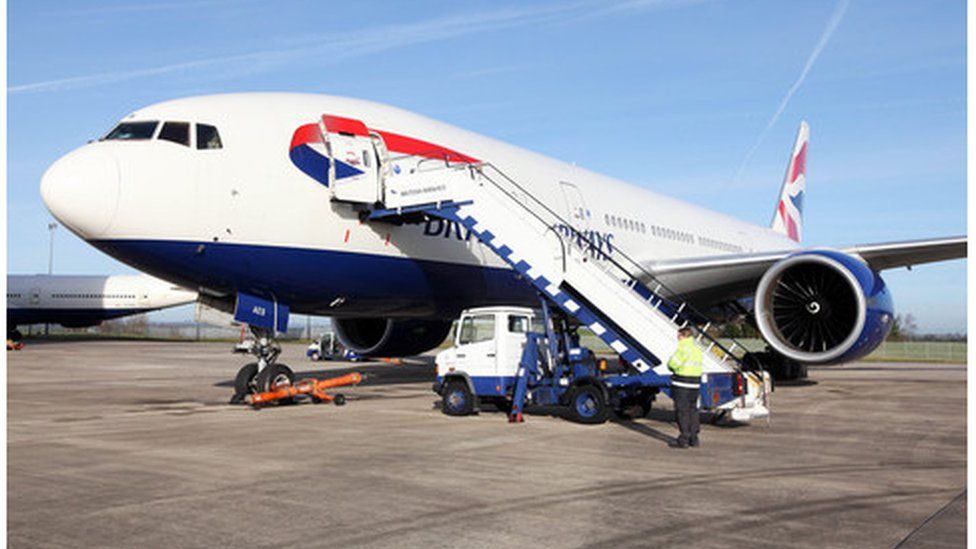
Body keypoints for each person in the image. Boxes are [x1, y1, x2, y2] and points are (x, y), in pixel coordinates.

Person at [668, 327, 703, 448]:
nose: (677, 337)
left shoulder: (683, 348)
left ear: (683, 336)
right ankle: (694, 438)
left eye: (678, 335)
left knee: (682, 411)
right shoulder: (696, 349)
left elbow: (672, 364)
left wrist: (672, 367)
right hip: (695, 384)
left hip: (682, 383)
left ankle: (684, 438)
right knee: (693, 411)